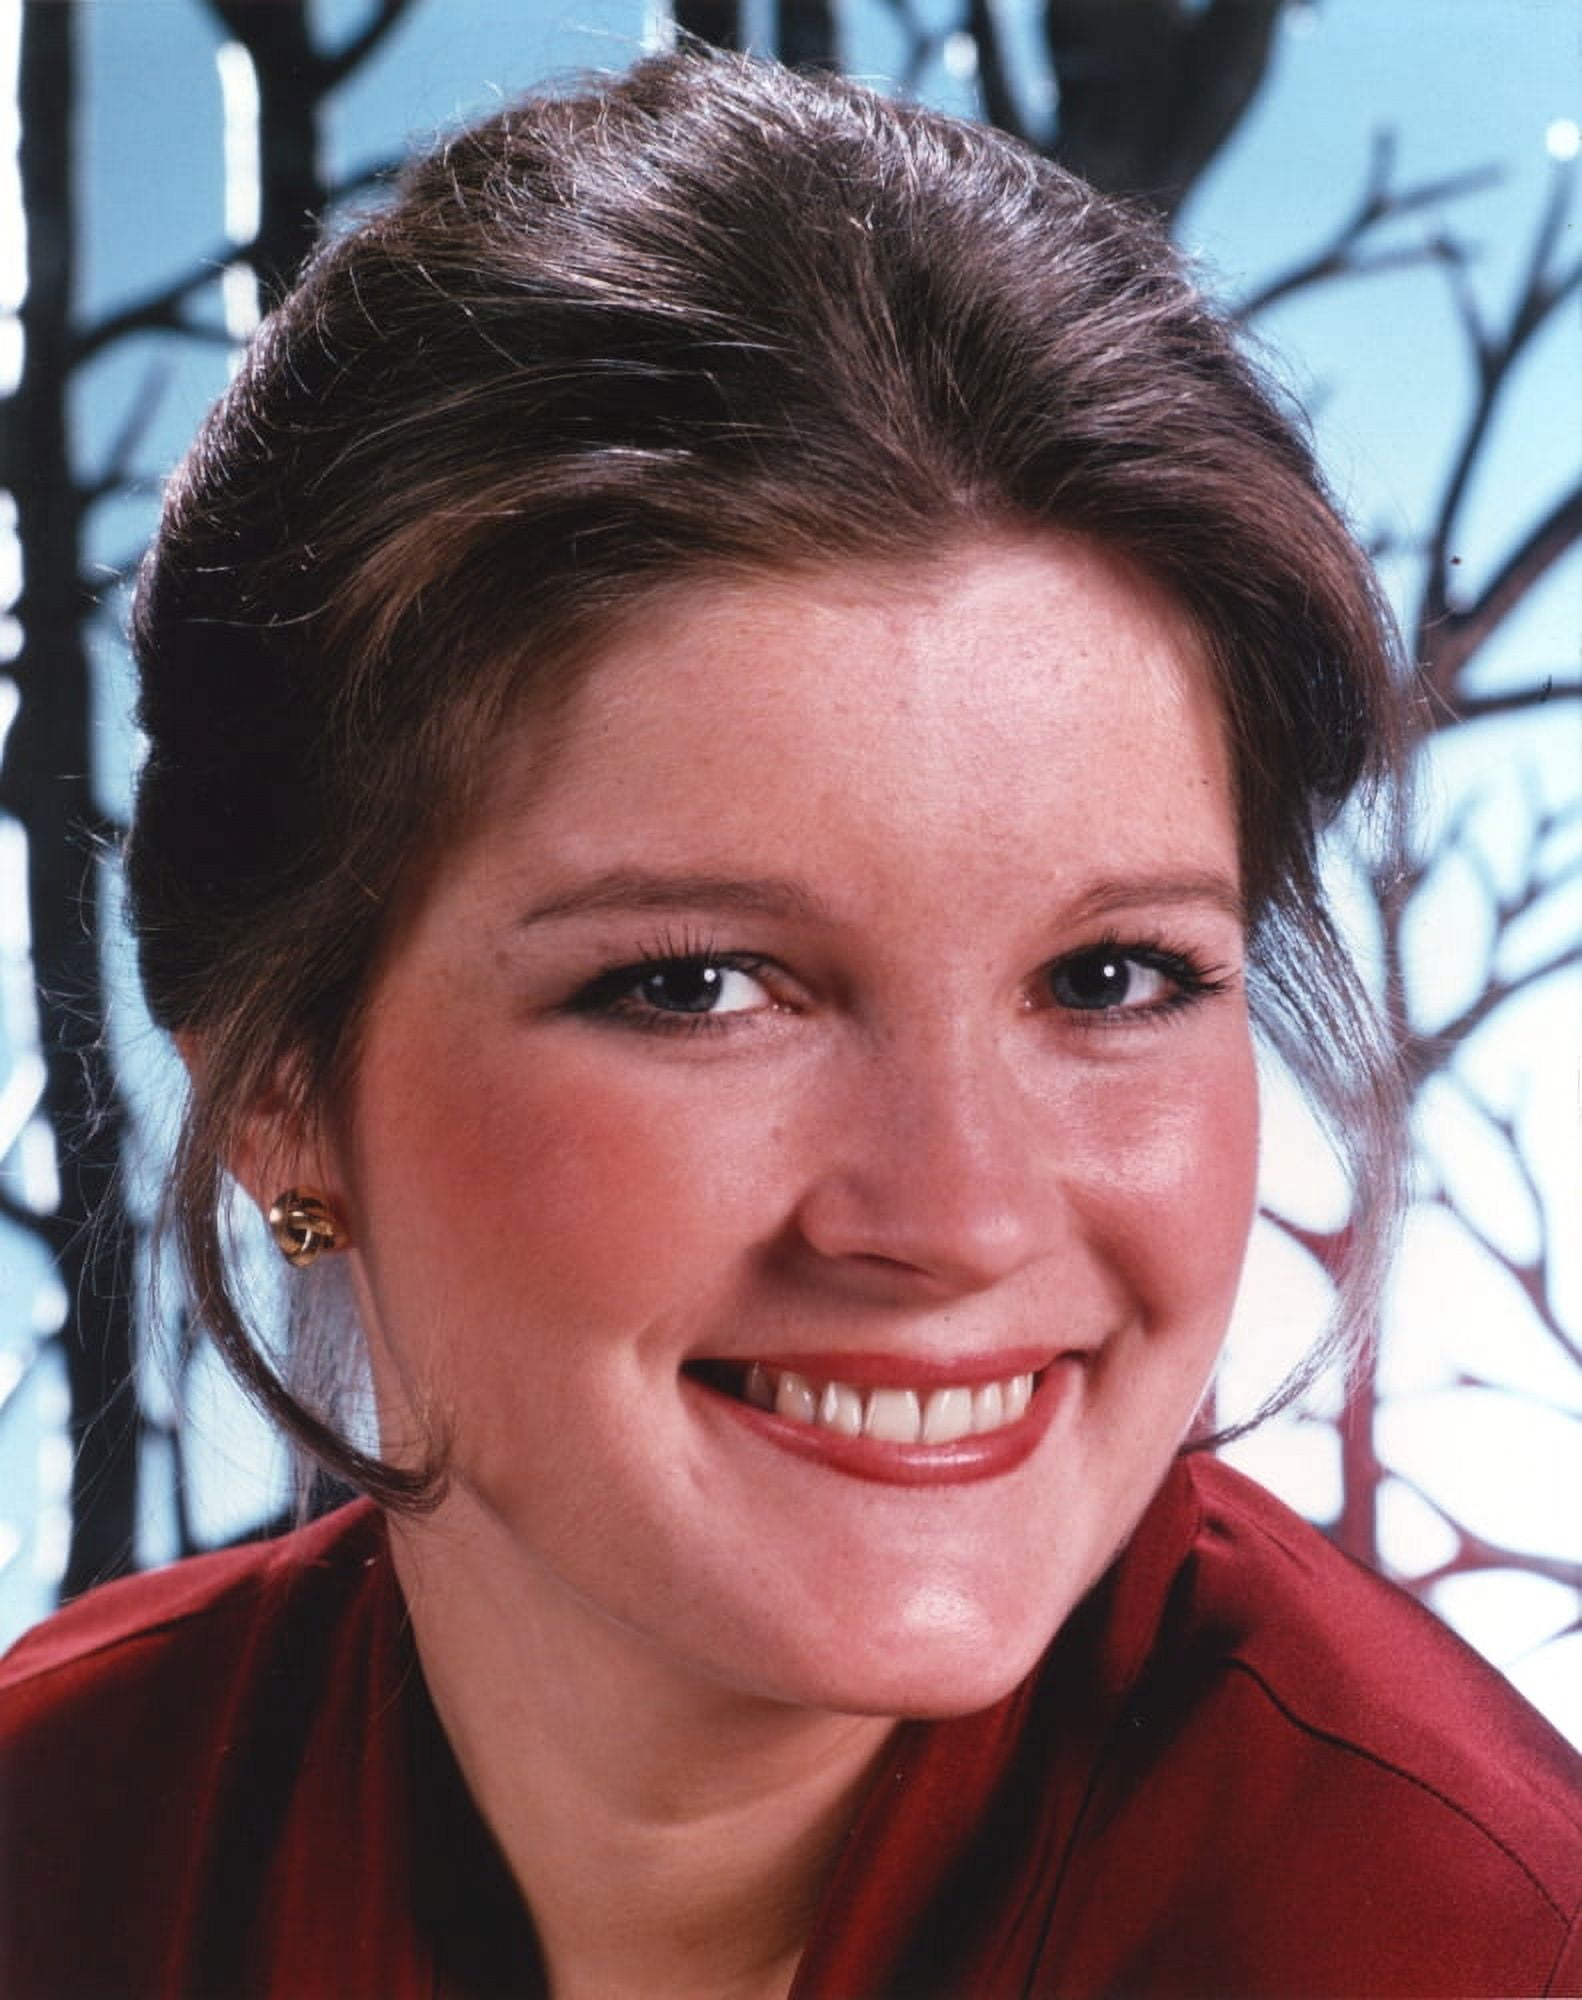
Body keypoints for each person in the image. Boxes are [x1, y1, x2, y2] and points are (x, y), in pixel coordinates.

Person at [1, 45, 1577, 2000]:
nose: (958, 1212)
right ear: (279, 1088)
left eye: (1109, 976)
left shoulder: (1453, 1942)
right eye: (696, 984)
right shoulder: (57, 1830)